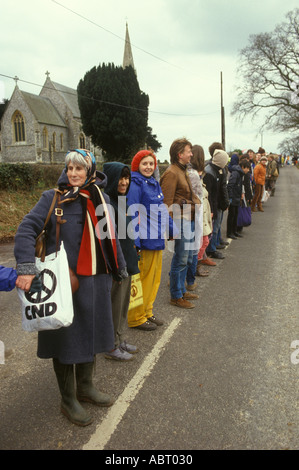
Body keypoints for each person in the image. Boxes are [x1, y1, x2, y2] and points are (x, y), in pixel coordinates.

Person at [14, 149, 127, 427]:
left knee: (91, 334)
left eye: (80, 169)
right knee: (64, 340)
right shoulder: (52, 198)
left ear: (90, 171)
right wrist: (26, 266)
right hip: (65, 283)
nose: (74, 174)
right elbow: (26, 229)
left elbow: (110, 236)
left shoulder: (101, 198)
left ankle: (85, 387)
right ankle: (68, 400)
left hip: (96, 280)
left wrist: (120, 267)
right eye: (70, 168)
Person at [126, 150, 177, 328]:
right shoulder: (135, 184)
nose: (148, 167)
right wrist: (135, 242)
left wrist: (172, 229)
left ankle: (147, 311)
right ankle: (136, 317)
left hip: (156, 239)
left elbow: (162, 210)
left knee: (154, 279)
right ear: (137, 165)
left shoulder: (153, 183)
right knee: (141, 281)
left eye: (151, 164)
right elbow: (132, 214)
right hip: (145, 241)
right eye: (144, 163)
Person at [103, 162, 140, 360]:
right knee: (114, 307)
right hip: (117, 267)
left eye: (127, 178)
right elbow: (107, 239)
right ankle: (110, 346)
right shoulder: (107, 204)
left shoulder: (121, 200)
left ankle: (119, 338)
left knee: (123, 305)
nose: (124, 182)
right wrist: (115, 267)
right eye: (121, 178)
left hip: (127, 263)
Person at [160, 138, 201, 309]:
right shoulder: (171, 173)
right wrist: (169, 229)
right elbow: (166, 203)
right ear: (180, 154)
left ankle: (182, 290)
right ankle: (176, 296)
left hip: (187, 218)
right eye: (188, 151)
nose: (191, 154)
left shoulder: (181, 170)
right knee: (181, 258)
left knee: (186, 258)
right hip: (180, 220)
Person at [203, 147, 230, 259]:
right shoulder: (209, 173)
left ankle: (213, 246)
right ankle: (211, 250)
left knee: (217, 227)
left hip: (219, 203)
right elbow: (209, 194)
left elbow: (223, 188)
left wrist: (225, 202)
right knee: (213, 229)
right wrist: (212, 210)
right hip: (213, 204)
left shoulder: (220, 170)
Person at [185, 145, 204, 289]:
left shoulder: (185, 171)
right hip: (191, 213)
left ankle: (177, 280)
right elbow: (198, 196)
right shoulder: (193, 173)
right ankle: (189, 281)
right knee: (190, 250)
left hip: (185, 212)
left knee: (183, 251)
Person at [226, 159, 251, 238]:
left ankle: (234, 231)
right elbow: (230, 185)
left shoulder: (240, 173)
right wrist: (230, 197)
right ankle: (229, 233)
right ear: (243, 167)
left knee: (235, 215)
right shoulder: (236, 173)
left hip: (237, 197)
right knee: (231, 216)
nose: (248, 170)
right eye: (247, 168)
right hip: (233, 197)